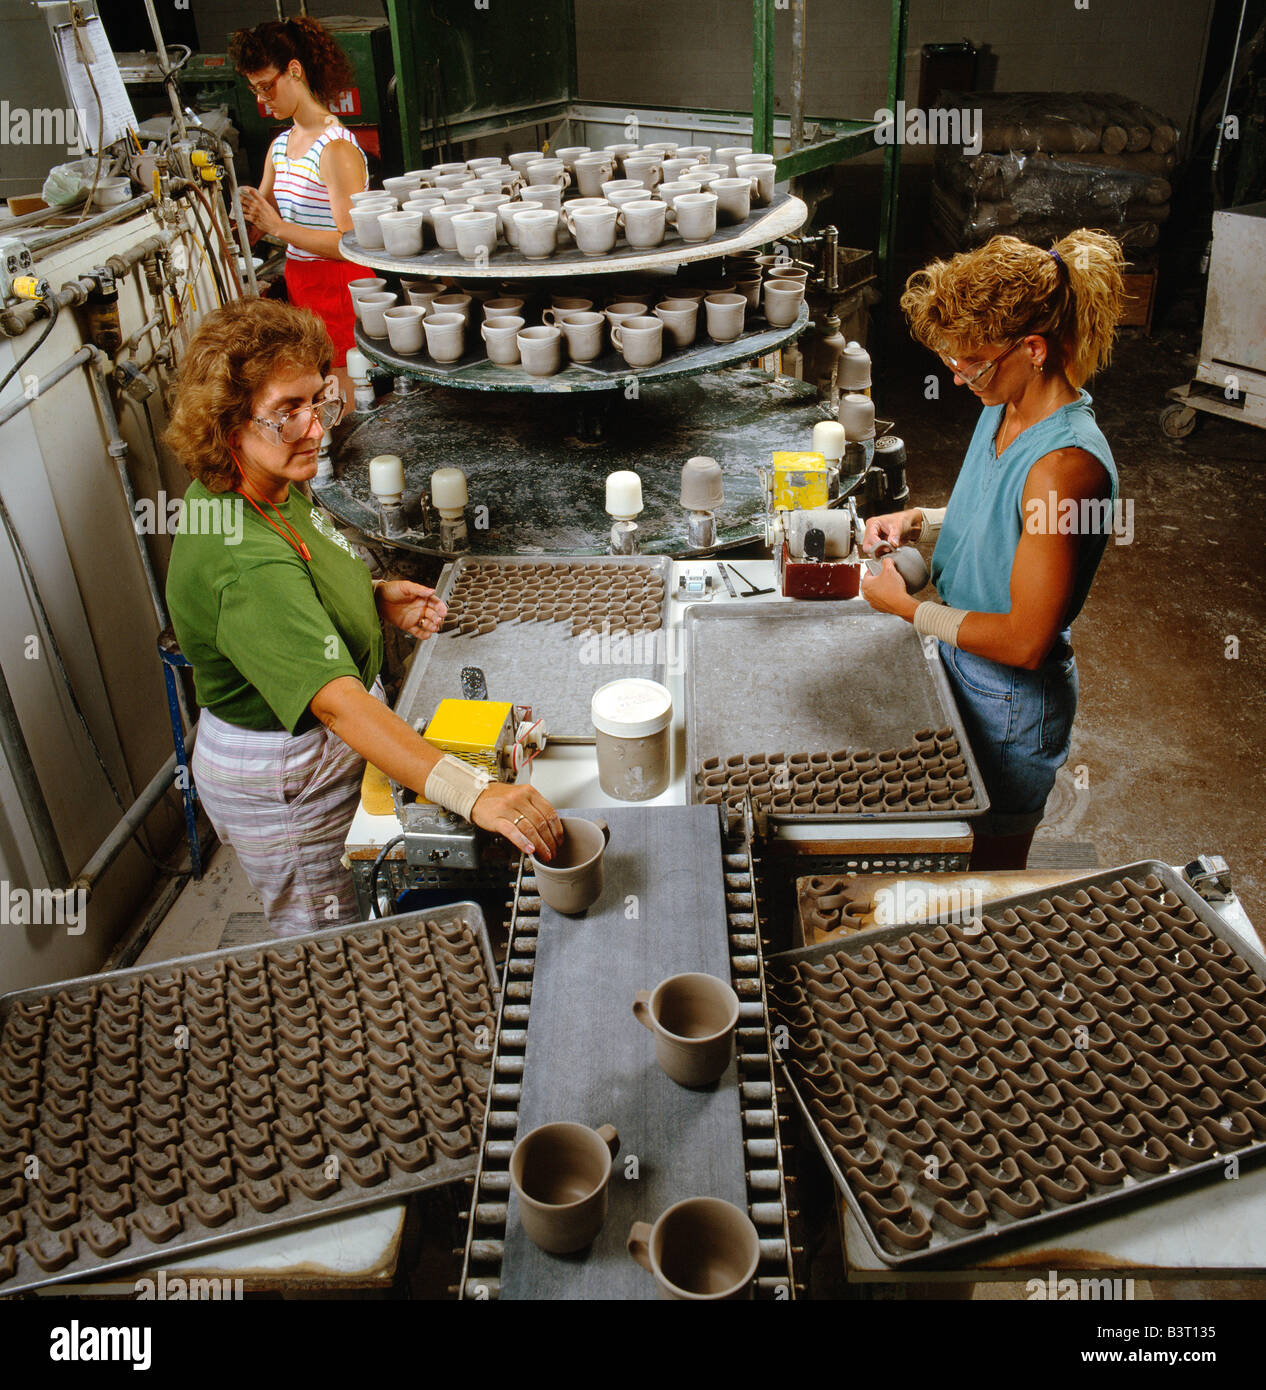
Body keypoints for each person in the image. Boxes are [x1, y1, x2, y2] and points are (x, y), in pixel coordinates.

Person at [164, 299, 562, 934]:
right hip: (290, 774)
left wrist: (369, 597)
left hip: (331, 745)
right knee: (334, 940)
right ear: (226, 424)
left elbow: (300, 579)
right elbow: (337, 704)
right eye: (285, 413)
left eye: (316, 402)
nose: (315, 428)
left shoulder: (265, 484)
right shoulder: (239, 557)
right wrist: (475, 793)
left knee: (371, 911)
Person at [860, 230, 1126, 870]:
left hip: (1009, 695)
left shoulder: (1065, 467)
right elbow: (1000, 514)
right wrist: (921, 519)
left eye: (970, 364)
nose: (957, 379)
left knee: (988, 878)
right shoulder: (1004, 404)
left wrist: (906, 609)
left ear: (1032, 349)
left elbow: (1025, 640)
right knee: (944, 849)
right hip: (963, 654)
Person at [229, 16, 369, 394]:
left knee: (341, 403)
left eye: (266, 88)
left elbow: (351, 244)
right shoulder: (280, 146)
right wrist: (242, 224)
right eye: (255, 91)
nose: (261, 99)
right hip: (302, 285)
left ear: (294, 70)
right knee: (315, 401)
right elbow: (259, 216)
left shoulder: (336, 148)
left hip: (339, 288)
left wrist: (277, 228)